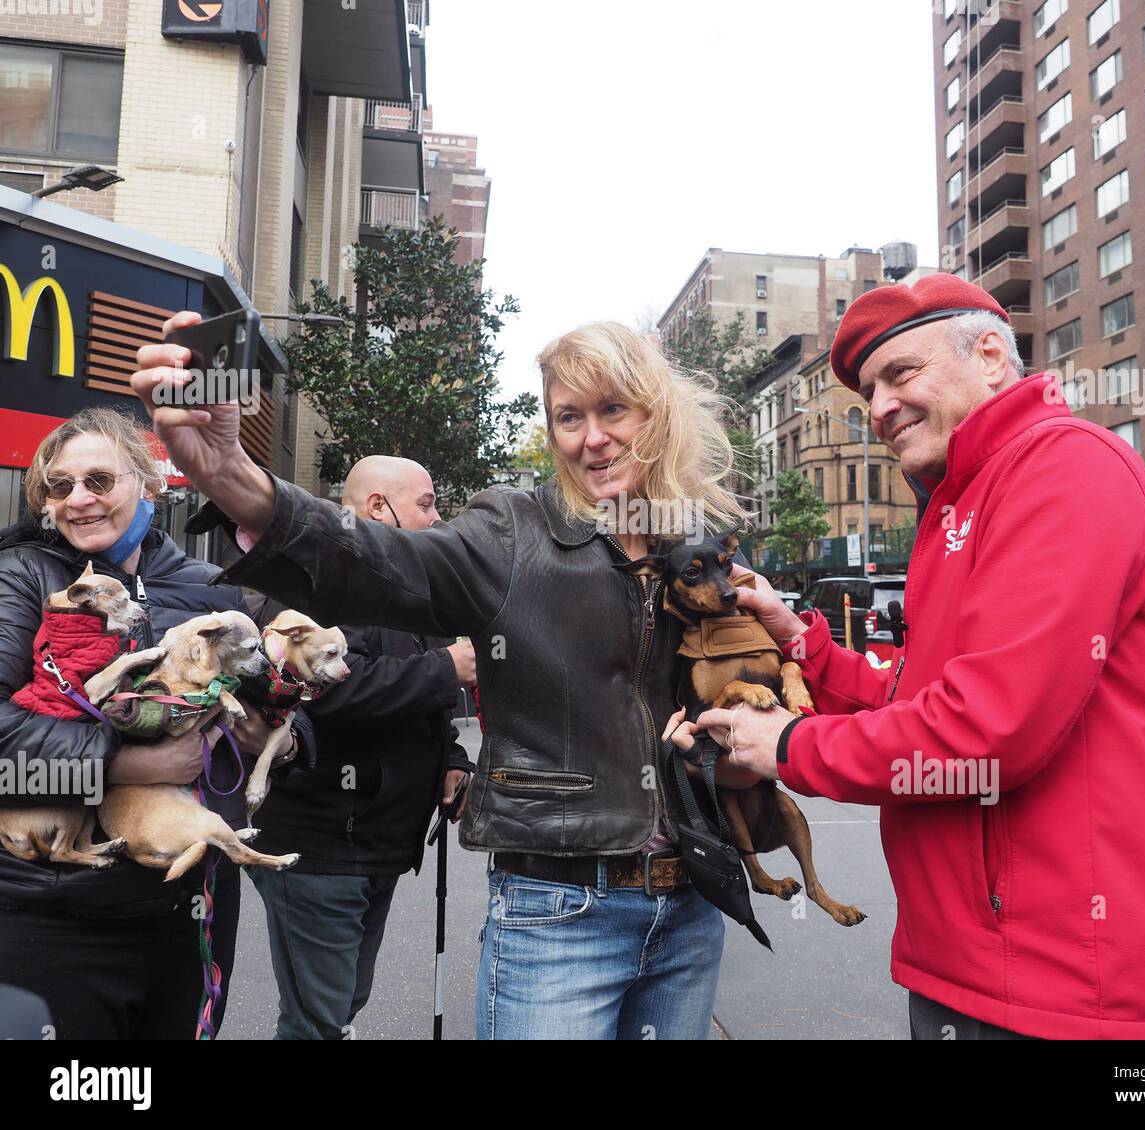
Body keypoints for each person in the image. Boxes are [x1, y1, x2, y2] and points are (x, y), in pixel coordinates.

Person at [132, 315, 758, 1040]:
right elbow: (377, 561)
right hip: (559, 914)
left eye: (613, 409)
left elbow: (743, 692)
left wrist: (744, 749)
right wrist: (231, 476)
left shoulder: (698, 546)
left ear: (658, 413)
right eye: (568, 417)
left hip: (689, 908)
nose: (592, 438)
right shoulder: (512, 530)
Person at [686, 274, 1145, 1039]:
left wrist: (790, 744)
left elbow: (988, 730)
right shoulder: (956, 502)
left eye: (902, 373)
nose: (881, 407)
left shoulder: (1062, 468)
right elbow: (917, 700)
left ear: (993, 356)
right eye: (870, 391)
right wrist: (800, 642)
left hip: (1070, 990)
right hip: (976, 969)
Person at [0, 407, 312, 1039]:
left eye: (99, 481)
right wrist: (117, 763)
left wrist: (279, 747)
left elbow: (287, 702)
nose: (79, 500)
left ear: (149, 482)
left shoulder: (212, 588)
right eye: (60, 487)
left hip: (189, 909)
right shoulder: (23, 576)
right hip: (57, 917)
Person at [240, 455, 477, 1040]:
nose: (437, 516)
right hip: (320, 845)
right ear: (378, 507)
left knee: (343, 1003)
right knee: (319, 1019)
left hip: (377, 843)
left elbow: (420, 705)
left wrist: (450, 759)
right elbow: (320, 693)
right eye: (425, 503)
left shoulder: (405, 587)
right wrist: (446, 668)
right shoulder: (314, 584)